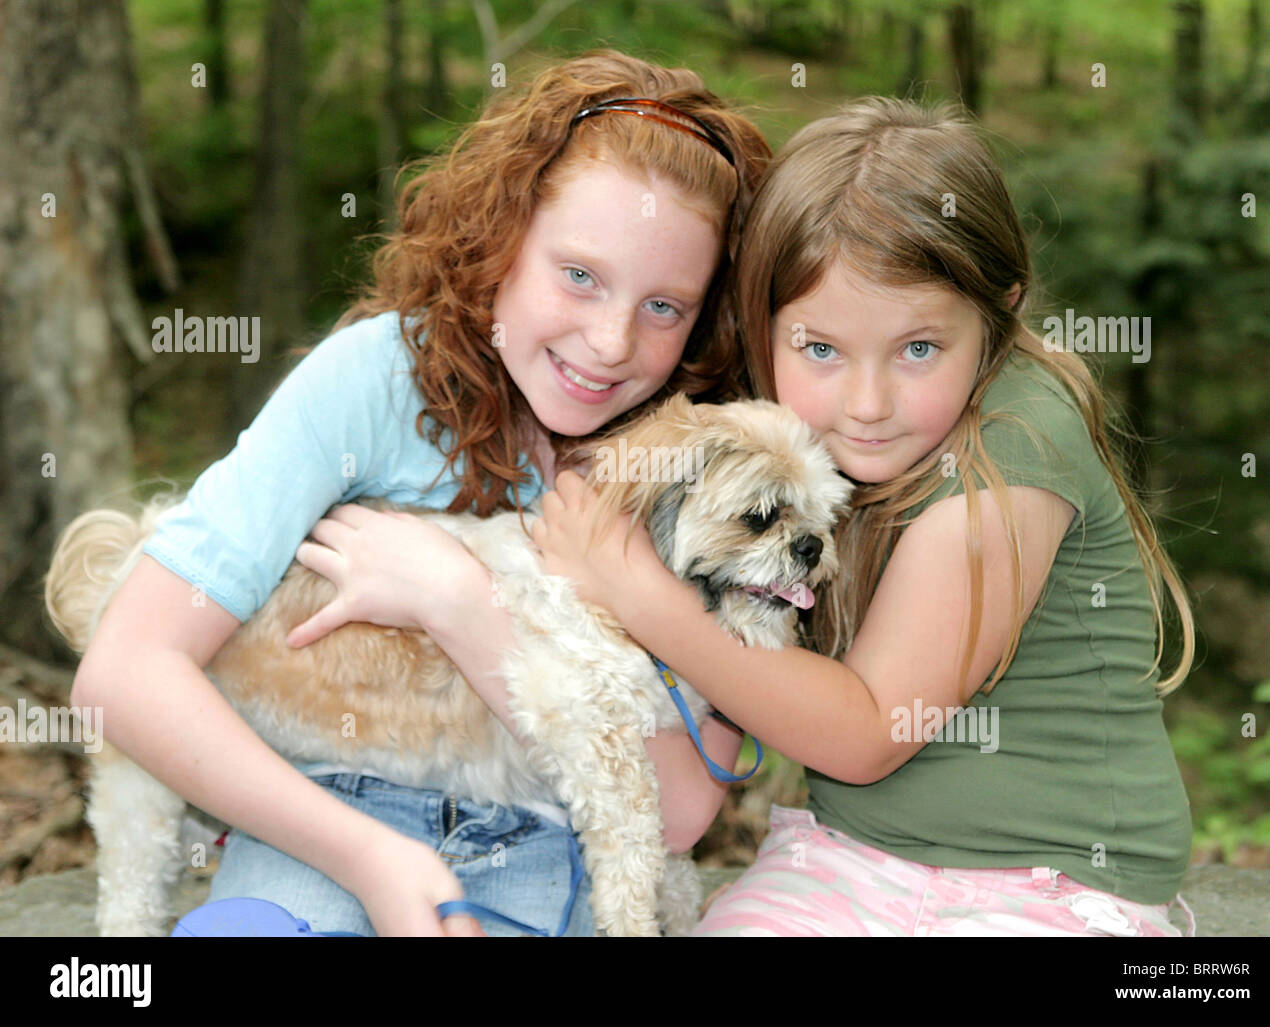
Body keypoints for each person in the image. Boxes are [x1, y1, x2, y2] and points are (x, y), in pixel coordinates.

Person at [70, 50, 770, 937]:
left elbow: (676, 811)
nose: (608, 341)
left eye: (665, 307)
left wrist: (459, 603)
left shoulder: (700, 472)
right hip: (318, 830)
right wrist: (371, 856)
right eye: (580, 275)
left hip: (552, 849)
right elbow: (125, 669)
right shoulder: (371, 384)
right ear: (503, 239)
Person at [529, 97, 1198, 937]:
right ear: (760, 321)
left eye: (919, 348)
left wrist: (634, 589)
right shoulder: (781, 446)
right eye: (820, 349)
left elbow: (869, 730)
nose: (869, 404)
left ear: (998, 316)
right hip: (847, 863)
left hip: (1050, 887)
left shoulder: (1017, 450)